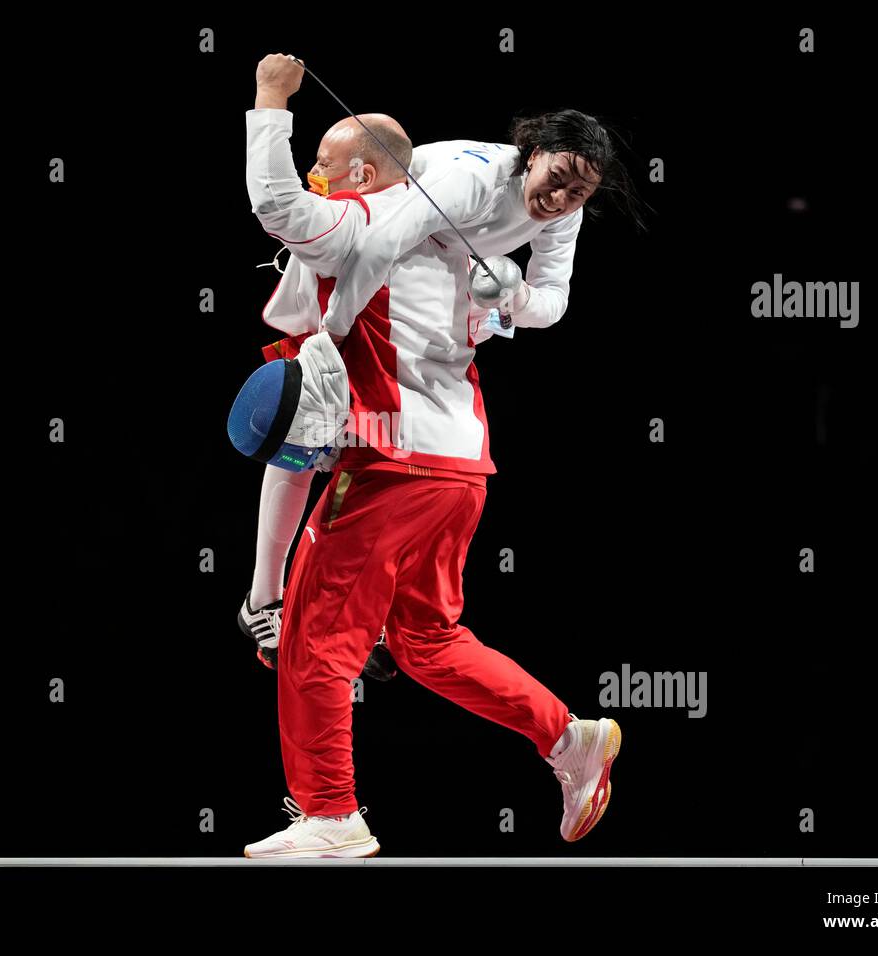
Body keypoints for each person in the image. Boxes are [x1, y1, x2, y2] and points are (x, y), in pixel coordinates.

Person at [241, 54, 632, 858]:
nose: (560, 200)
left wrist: (271, 99)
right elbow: (294, 455)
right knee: (425, 641)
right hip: (460, 465)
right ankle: (567, 741)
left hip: (396, 459)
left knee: (318, 641)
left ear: (360, 172)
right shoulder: (439, 199)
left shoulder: (359, 216)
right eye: (555, 179)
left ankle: (331, 813)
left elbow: (278, 204)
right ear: (527, 154)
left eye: (327, 166)